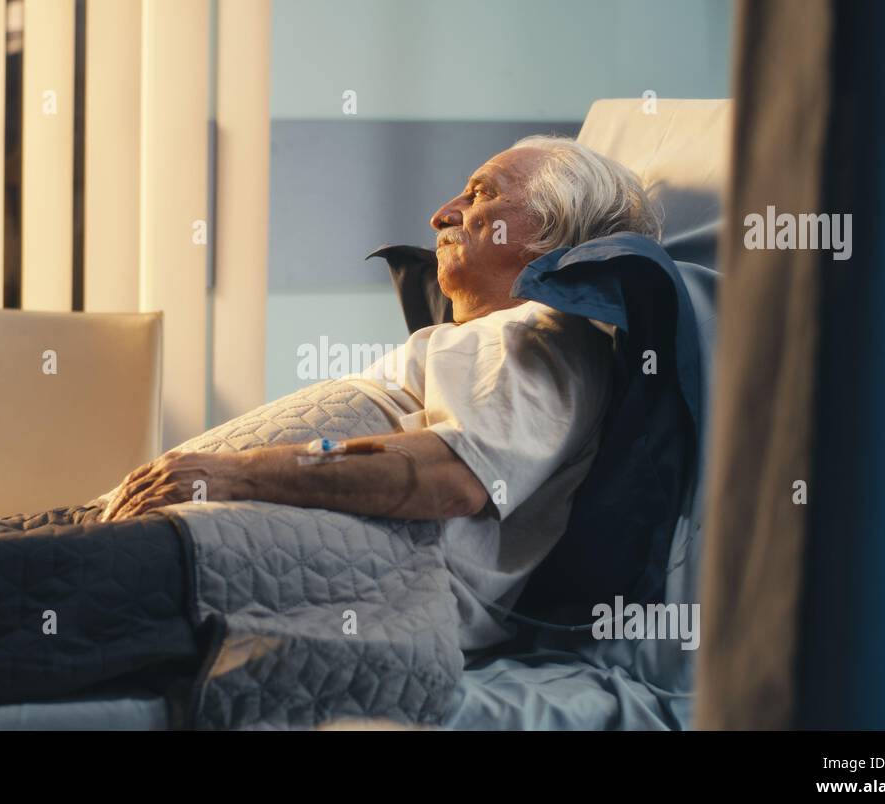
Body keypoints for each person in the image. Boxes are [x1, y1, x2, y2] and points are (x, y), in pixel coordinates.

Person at [101, 135, 662, 651]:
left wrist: (228, 475)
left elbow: (455, 478)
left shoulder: (538, 333)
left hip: (238, 565)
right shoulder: (478, 342)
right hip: (181, 537)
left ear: (555, 231)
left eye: (482, 194)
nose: (441, 215)